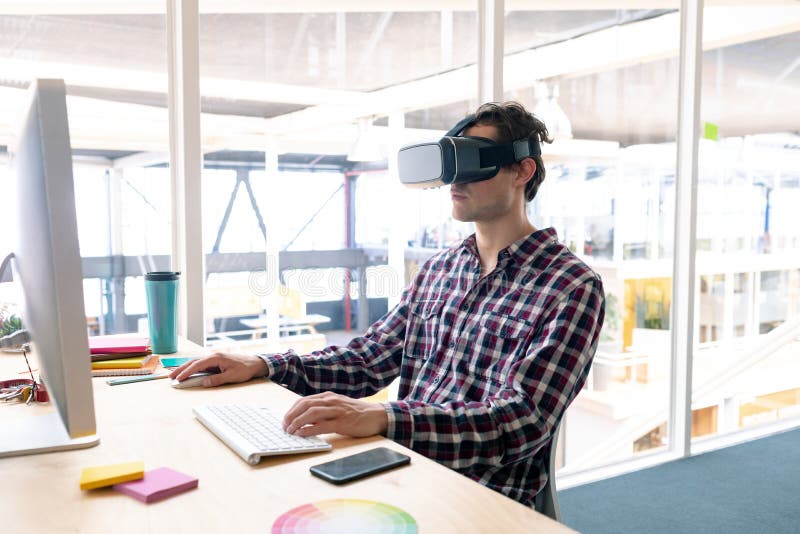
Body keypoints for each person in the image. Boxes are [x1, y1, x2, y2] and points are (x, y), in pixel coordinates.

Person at [171, 101, 605, 507]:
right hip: (401, 471)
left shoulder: (570, 286)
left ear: (522, 171)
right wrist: (263, 365)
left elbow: (520, 421)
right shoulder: (441, 270)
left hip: (483, 498)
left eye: (472, 162)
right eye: (449, 165)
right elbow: (365, 361)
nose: (455, 180)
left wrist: (384, 417)